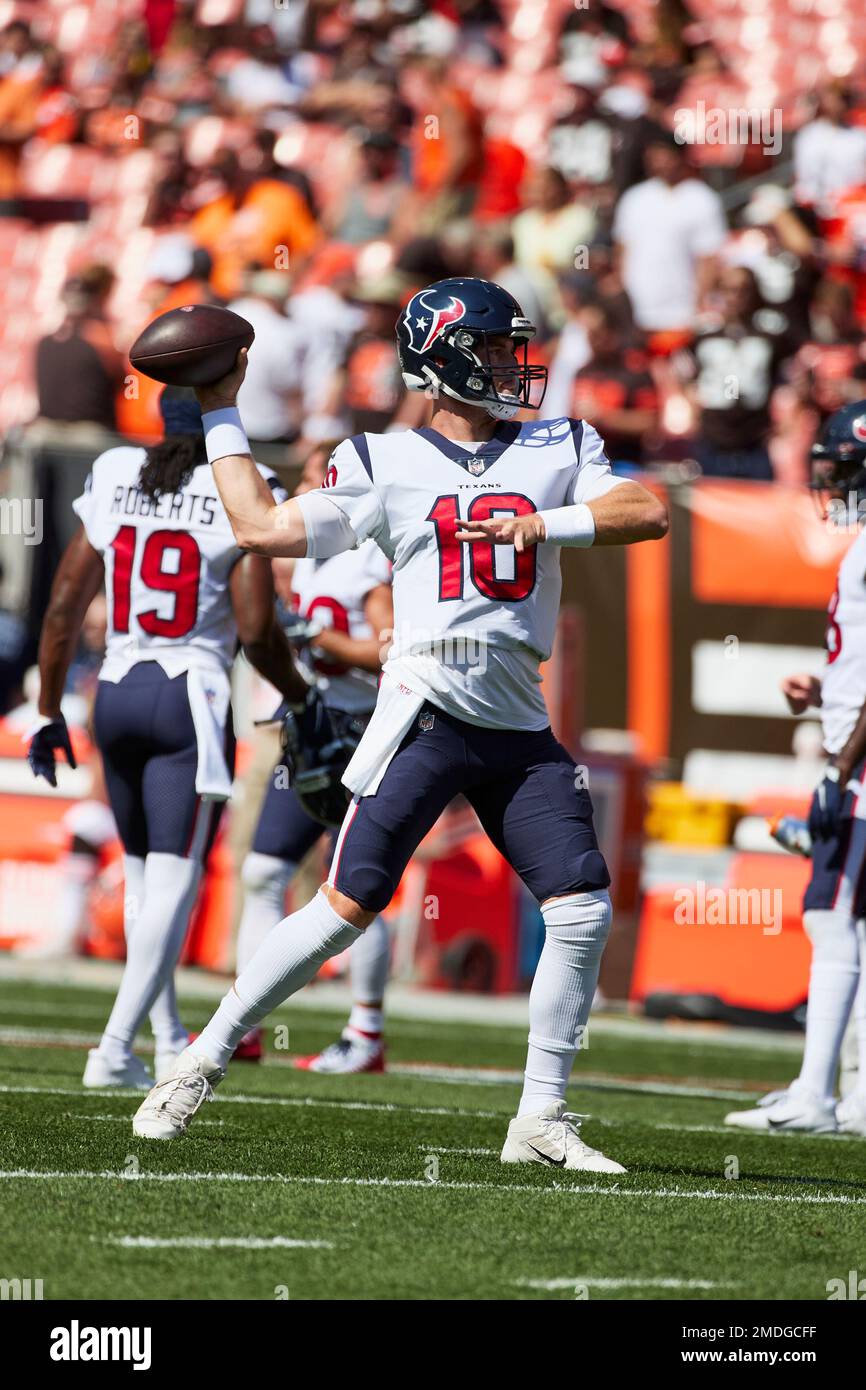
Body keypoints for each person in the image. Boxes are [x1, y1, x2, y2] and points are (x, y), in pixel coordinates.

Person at [132, 276, 667, 1173]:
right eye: (494, 348)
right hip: (424, 708)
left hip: (517, 720)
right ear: (442, 360)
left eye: (511, 346)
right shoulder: (381, 460)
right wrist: (220, 409)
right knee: (347, 906)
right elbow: (260, 528)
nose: (511, 363)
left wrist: (547, 523)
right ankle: (198, 1061)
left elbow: (645, 511)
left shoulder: (560, 443)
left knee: (580, 910)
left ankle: (540, 1119)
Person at [27, 387, 310, 1088]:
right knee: (175, 886)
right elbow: (253, 627)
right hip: (189, 693)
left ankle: (160, 1030)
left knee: (147, 879)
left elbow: (64, 604)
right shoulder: (245, 488)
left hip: (115, 691)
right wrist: (302, 695)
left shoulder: (120, 470)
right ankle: (115, 1049)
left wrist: (46, 708)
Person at [725, 401, 866, 1135]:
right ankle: (854, 1096)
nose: (833, 480)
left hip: (863, 773)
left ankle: (817, 1094)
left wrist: (842, 767)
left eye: (842, 465)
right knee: (853, 922)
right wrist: (826, 687)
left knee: (829, 915)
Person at [236, 446, 394, 1072]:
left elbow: (389, 650)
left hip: (361, 728)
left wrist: (316, 638)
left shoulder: (370, 559)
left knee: (356, 885)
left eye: (313, 482)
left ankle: (366, 1031)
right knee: (263, 872)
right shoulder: (307, 559)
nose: (304, 495)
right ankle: (246, 1024)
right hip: (312, 724)